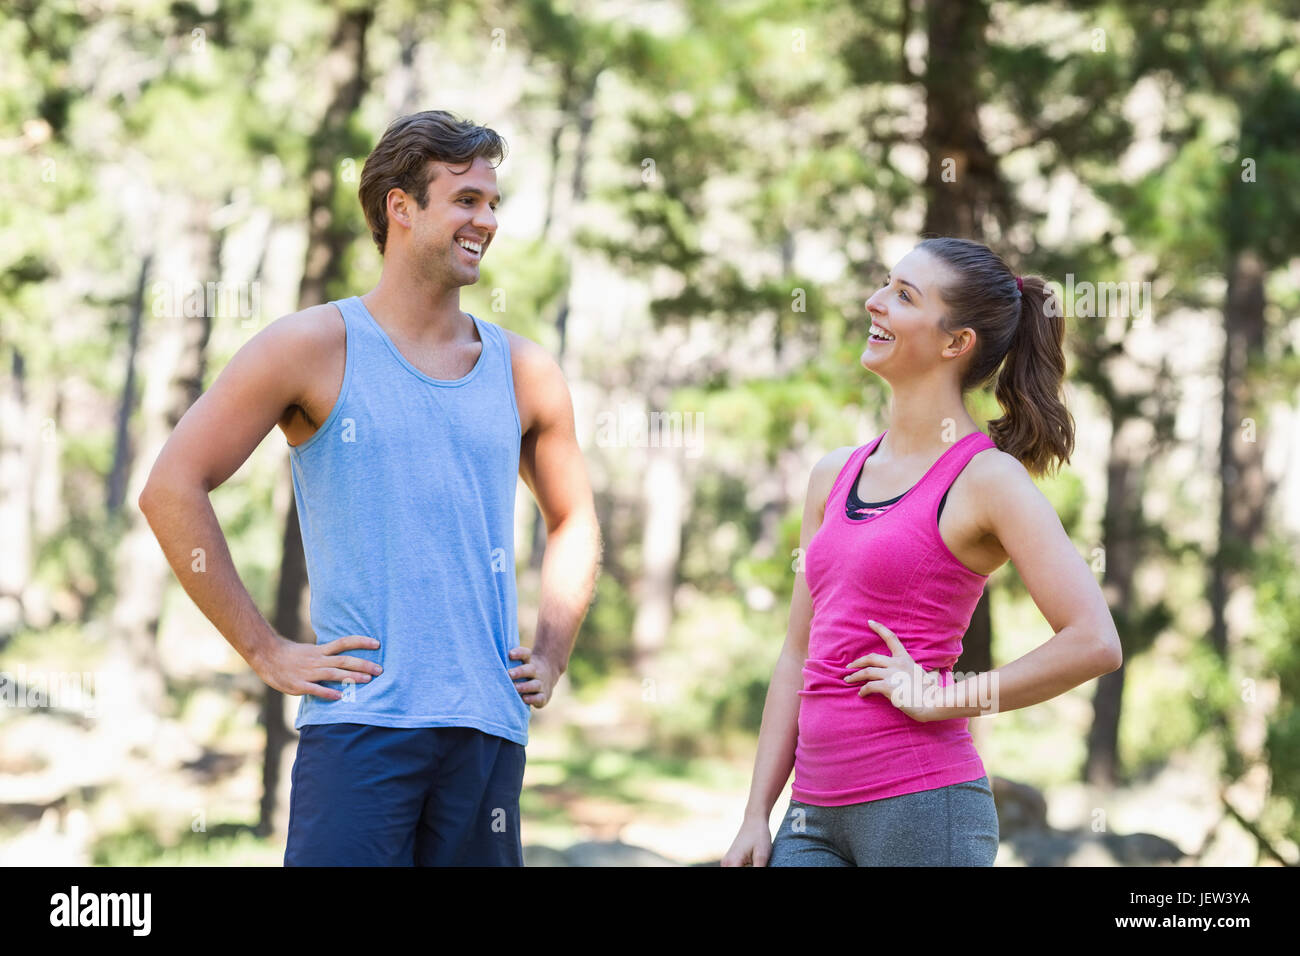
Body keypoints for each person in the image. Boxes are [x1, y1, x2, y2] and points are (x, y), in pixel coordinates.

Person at [139, 110, 600, 866]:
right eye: (466, 200)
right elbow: (170, 487)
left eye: (493, 203)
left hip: (486, 732)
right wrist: (265, 650)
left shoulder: (526, 371)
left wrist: (551, 652)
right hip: (360, 731)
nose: (486, 220)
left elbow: (574, 517)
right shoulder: (309, 346)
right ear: (401, 207)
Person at [721, 236, 1122, 867]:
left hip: (923, 807)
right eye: (885, 284)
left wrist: (943, 696)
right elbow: (799, 653)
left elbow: (1094, 641)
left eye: (903, 295)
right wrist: (755, 813)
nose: (874, 302)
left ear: (954, 343)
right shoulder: (834, 473)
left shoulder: (988, 479)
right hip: (810, 814)